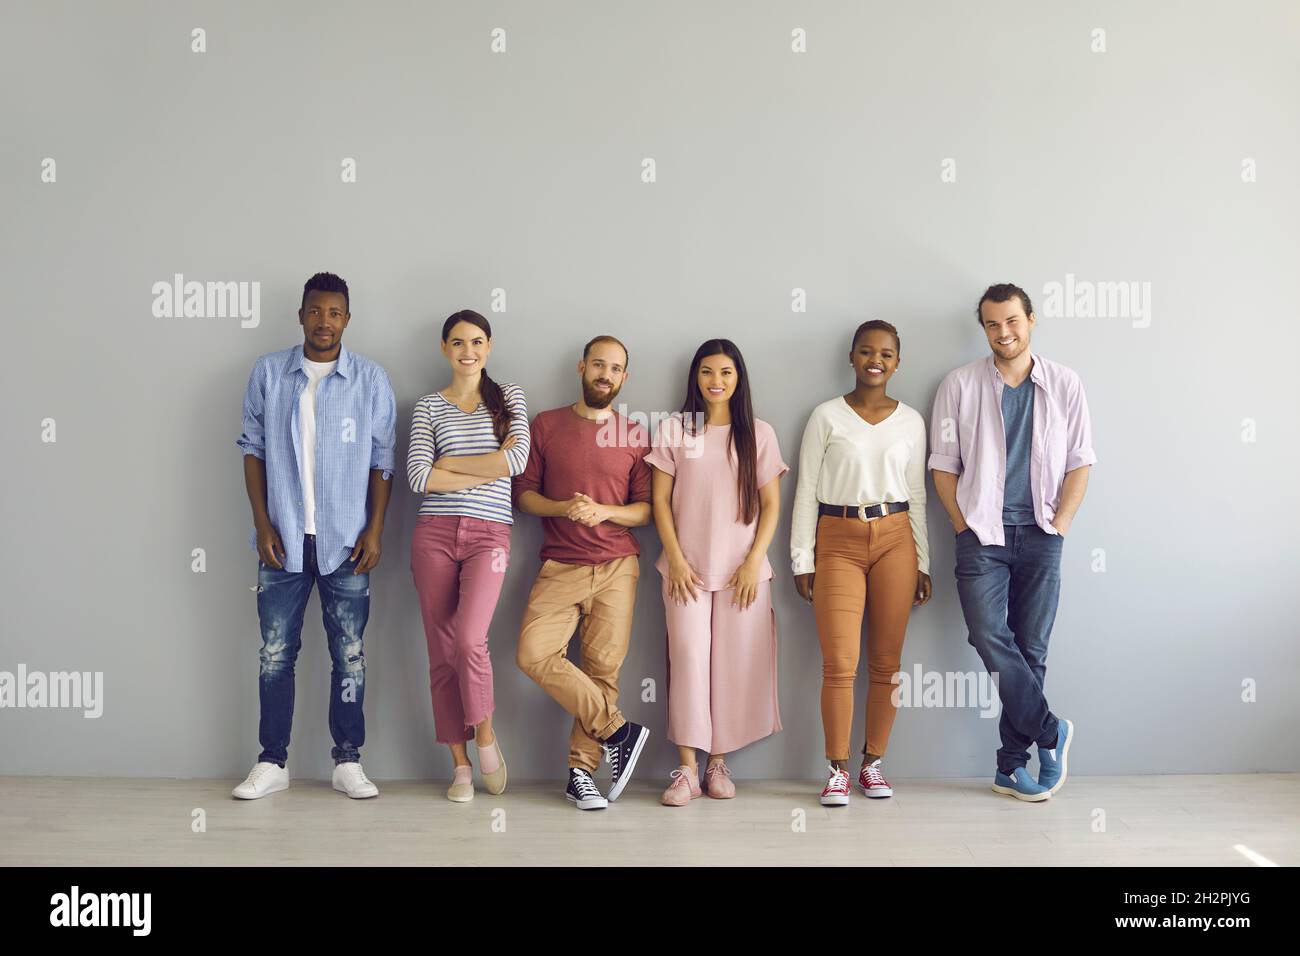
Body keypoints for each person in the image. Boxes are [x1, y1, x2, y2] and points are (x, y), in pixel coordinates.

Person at [232, 272, 396, 800]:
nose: (324, 321)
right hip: (282, 539)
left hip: (346, 541)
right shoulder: (269, 373)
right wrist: (262, 524)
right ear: (300, 314)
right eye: (315, 311)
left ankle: (348, 760)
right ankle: (271, 762)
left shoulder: (370, 380)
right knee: (275, 653)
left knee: (349, 653)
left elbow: (382, 460)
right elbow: (251, 448)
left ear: (347, 319)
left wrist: (375, 528)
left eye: (334, 313)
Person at [929, 283, 1095, 802]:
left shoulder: (1065, 383)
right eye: (992, 324)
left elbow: (1080, 460)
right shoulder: (958, 385)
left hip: (1043, 534)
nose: (1003, 333)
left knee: (1032, 650)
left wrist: (1061, 524)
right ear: (983, 328)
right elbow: (943, 465)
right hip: (982, 535)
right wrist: (962, 524)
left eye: (1012, 321)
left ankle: (1009, 766)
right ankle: (1051, 730)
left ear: (1031, 320)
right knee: (987, 636)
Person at [791, 320, 932, 806]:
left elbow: (916, 493)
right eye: (867, 351)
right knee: (839, 664)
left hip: (896, 539)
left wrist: (924, 561)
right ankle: (837, 770)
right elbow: (806, 489)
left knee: (887, 665)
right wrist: (800, 559)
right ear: (851, 357)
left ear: (897, 361)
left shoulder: (911, 421)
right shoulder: (826, 416)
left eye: (887, 353)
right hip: (838, 539)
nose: (876, 359)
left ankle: (873, 764)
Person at [513, 335, 652, 810]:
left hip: (618, 566)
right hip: (560, 564)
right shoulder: (547, 424)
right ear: (581, 367)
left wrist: (605, 512)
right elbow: (524, 495)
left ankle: (580, 774)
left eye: (615, 369)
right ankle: (618, 730)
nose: (605, 375)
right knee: (533, 653)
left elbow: (645, 511)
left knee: (603, 671)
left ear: (624, 379)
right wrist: (564, 508)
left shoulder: (635, 434)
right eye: (598, 365)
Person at [648, 340, 787, 805]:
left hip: (743, 573)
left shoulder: (759, 434)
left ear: (738, 378)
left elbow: (771, 506)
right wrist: (677, 559)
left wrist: (753, 562)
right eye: (707, 372)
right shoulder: (674, 430)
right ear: (696, 376)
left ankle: (718, 762)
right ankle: (686, 769)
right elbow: (660, 504)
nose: (716, 381)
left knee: (731, 663)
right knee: (687, 658)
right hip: (684, 570)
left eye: (726, 372)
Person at [407, 310, 529, 802]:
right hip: (433, 535)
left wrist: (450, 464)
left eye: (477, 342)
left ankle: (484, 734)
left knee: (469, 640)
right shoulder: (427, 408)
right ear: (444, 349)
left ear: (489, 347)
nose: (467, 351)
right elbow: (419, 477)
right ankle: (459, 766)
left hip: (490, 537)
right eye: (457, 343)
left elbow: (516, 462)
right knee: (440, 652)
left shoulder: (511, 397)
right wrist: (488, 468)